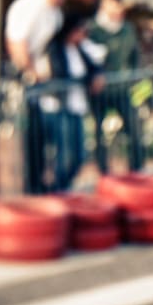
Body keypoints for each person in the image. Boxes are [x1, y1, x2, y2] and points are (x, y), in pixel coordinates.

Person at [4, 0, 66, 193]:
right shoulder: (28, 6)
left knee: (54, 137)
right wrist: (30, 72)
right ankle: (34, 185)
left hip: (49, 81)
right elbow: (16, 42)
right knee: (35, 138)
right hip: (31, 81)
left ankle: (48, 184)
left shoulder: (55, 12)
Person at [45, 13, 105, 192]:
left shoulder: (79, 49)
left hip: (77, 106)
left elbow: (94, 66)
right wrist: (80, 80)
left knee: (79, 152)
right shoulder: (55, 49)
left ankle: (66, 184)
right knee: (65, 150)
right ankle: (59, 187)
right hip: (60, 106)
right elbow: (59, 74)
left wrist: (95, 76)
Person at [88, 0, 143, 174]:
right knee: (99, 132)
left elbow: (135, 55)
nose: (119, 12)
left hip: (123, 88)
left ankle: (136, 168)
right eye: (114, 8)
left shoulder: (128, 29)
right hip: (100, 90)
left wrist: (135, 79)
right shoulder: (92, 30)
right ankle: (102, 170)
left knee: (134, 128)